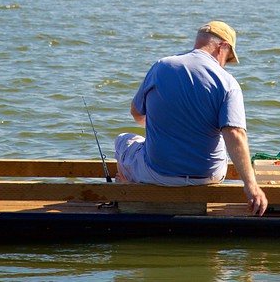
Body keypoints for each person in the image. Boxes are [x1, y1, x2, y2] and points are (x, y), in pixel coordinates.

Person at [114, 20, 268, 216]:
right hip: (209, 176)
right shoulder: (228, 82)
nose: (225, 65)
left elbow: (137, 114)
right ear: (223, 47)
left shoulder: (161, 67)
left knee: (123, 140)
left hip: (157, 174)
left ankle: (133, 195)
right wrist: (251, 185)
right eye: (227, 59)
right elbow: (235, 133)